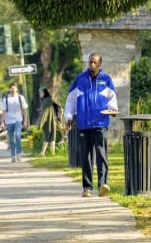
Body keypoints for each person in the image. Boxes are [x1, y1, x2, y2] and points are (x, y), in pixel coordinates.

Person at [65, 53, 118, 198]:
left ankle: (102, 185)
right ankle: (87, 188)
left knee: (101, 154)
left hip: (100, 122)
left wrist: (113, 109)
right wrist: (68, 116)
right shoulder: (80, 79)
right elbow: (70, 100)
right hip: (83, 123)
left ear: (100, 63)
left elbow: (112, 98)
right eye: (90, 62)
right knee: (86, 157)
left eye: (95, 62)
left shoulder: (106, 79)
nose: (92, 65)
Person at [1, 83, 28, 162]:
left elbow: (24, 110)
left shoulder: (20, 97)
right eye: (11, 88)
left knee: (17, 136)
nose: (13, 90)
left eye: (14, 88)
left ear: (16, 89)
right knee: (11, 139)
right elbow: (3, 111)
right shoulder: (6, 98)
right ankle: (13, 156)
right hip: (9, 121)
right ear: (9, 89)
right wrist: (2, 122)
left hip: (18, 119)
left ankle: (19, 154)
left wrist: (25, 121)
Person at [37, 88, 62, 156]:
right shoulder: (49, 100)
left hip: (47, 122)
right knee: (52, 137)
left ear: (44, 93)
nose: (40, 94)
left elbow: (45, 113)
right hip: (52, 121)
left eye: (41, 93)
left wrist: (40, 124)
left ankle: (42, 152)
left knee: (47, 136)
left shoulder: (46, 101)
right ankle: (52, 153)